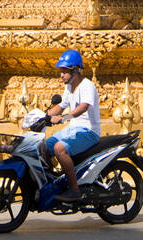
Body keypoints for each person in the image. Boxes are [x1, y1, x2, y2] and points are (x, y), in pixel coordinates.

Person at [41, 49, 100, 200]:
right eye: (61, 71)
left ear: (75, 70)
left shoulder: (87, 86)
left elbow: (83, 107)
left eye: (65, 71)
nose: (62, 75)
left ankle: (74, 190)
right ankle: (55, 181)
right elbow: (60, 106)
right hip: (73, 129)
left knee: (59, 148)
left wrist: (63, 118)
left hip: (88, 132)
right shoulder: (69, 87)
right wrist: (43, 117)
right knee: (43, 147)